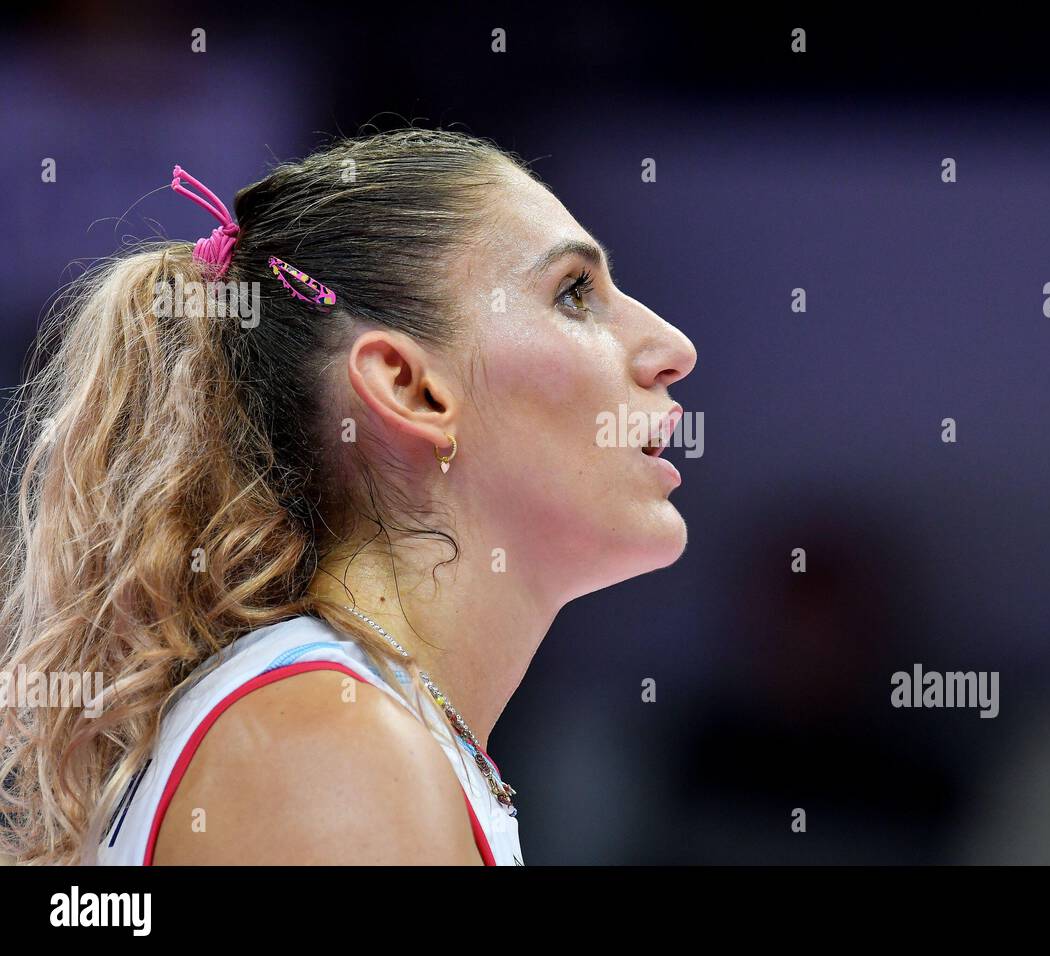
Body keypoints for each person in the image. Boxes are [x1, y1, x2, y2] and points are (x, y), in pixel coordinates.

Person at [0, 129, 697, 865]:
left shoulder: (351, 728)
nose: (673, 347)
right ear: (407, 385)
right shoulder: (335, 752)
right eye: (574, 293)